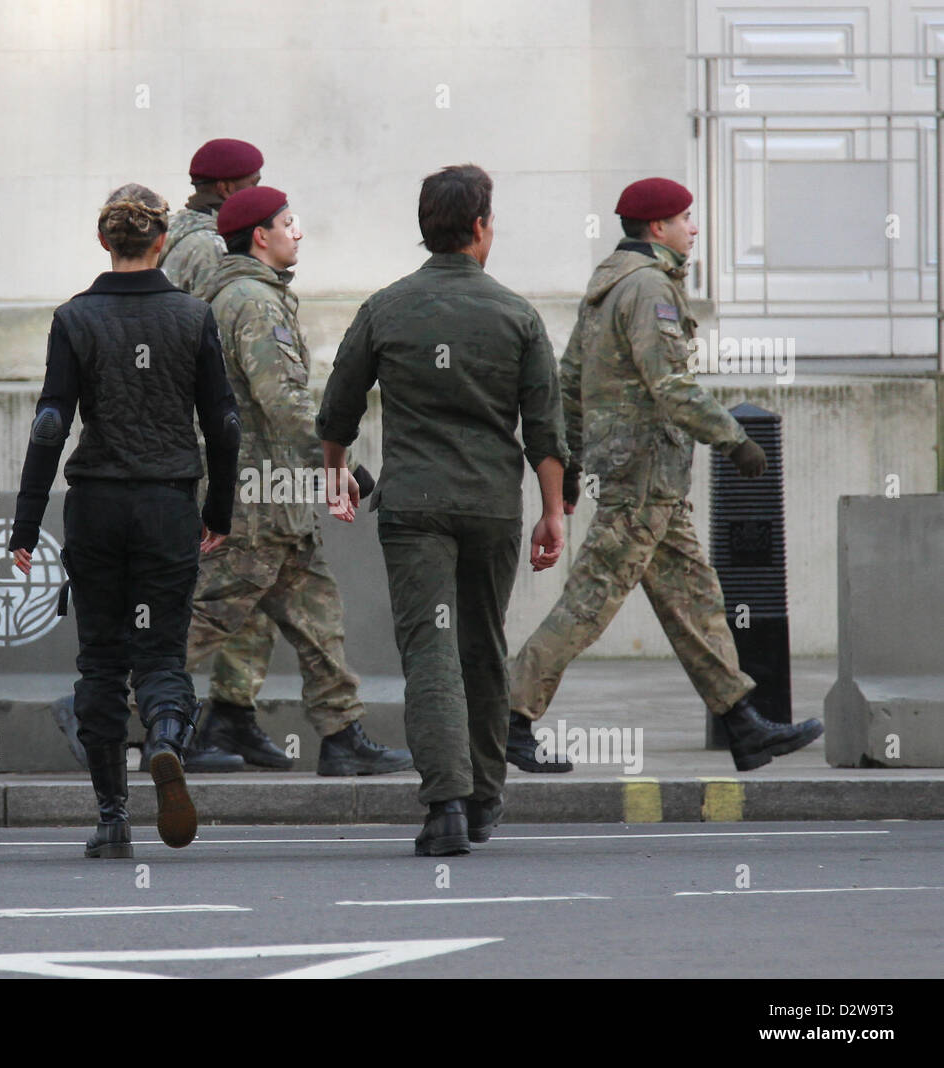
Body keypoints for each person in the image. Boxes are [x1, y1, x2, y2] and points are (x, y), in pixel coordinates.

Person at [505, 176, 822, 773]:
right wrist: (735, 441)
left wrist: (571, 464)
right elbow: (671, 385)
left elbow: (569, 379)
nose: (694, 228)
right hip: (645, 476)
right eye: (686, 218)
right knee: (589, 602)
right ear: (658, 229)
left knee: (695, 599)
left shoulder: (606, 287)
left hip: (647, 478)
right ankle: (511, 714)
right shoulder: (650, 287)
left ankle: (742, 723)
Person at [317, 164, 569, 856]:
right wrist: (554, 513)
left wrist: (337, 476)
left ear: (426, 229)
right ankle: (486, 800)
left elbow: (336, 411)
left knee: (431, 650)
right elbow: (546, 430)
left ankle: (447, 805)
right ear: (482, 226)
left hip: (415, 508)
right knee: (483, 647)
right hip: (491, 507)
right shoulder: (517, 314)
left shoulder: (385, 308)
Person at [9, 183, 241, 858]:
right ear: (162, 240)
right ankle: (166, 737)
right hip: (167, 503)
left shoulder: (75, 318)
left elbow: (51, 423)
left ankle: (112, 819)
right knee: (161, 652)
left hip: (98, 507)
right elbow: (223, 423)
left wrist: (24, 527)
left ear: (104, 242)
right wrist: (217, 510)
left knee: (102, 662)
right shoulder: (192, 316)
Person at [188, 185, 411, 777]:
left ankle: (342, 736)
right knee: (208, 616)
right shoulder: (251, 302)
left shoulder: (242, 296)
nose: (299, 232)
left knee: (318, 618)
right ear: (261, 235)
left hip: (274, 500)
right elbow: (285, 403)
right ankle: (100, 703)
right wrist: (340, 466)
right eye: (289, 222)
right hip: (255, 502)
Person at [157, 138, 281, 769]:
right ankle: (130, 703)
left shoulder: (182, 239)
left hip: (211, 433)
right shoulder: (210, 248)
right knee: (227, 580)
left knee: (249, 579)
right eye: (255, 184)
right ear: (232, 191)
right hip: (222, 436)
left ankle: (232, 715)